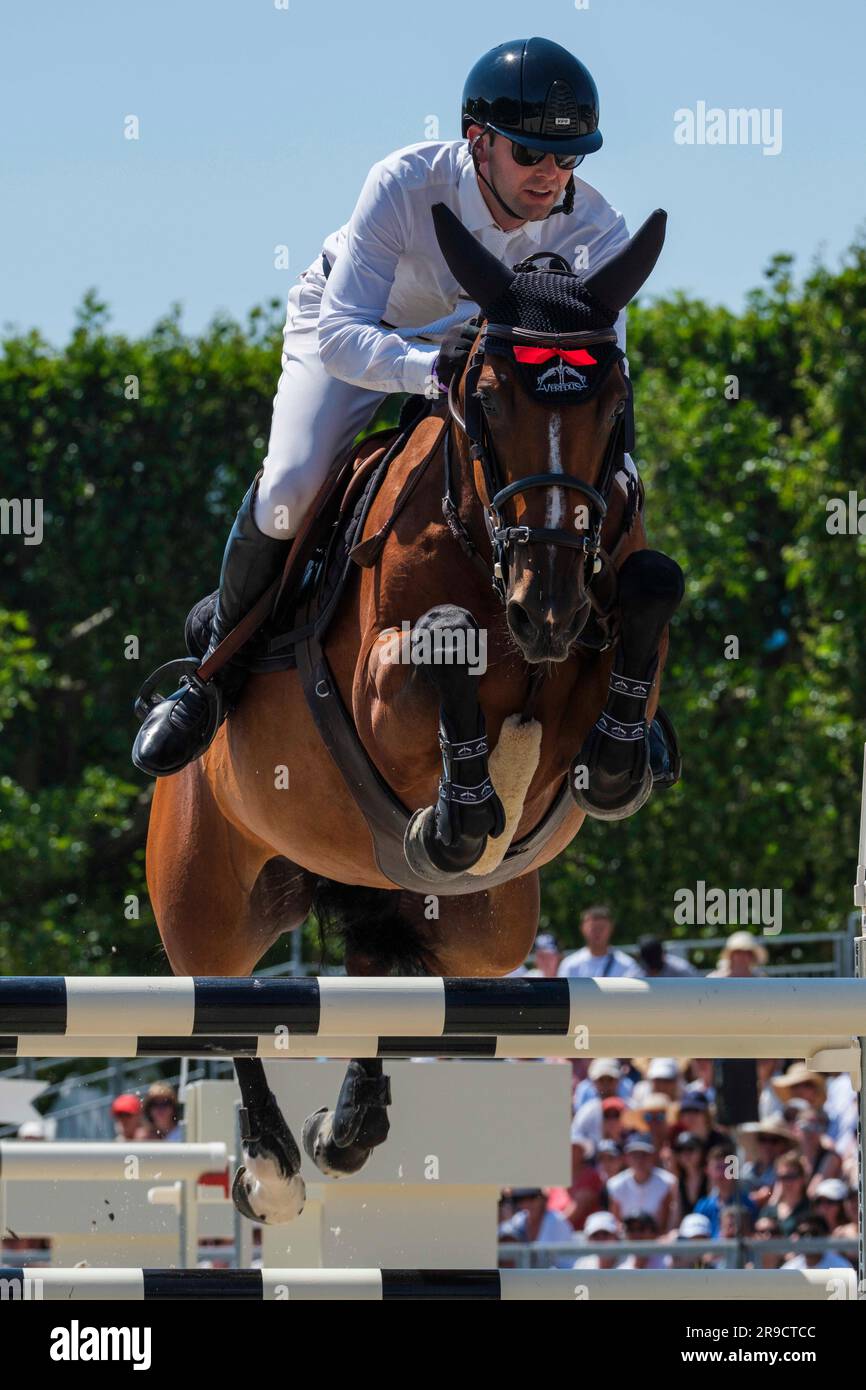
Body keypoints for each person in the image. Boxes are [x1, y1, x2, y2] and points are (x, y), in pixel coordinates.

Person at [132, 37, 677, 780]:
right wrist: (429, 370)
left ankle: (629, 694)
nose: (553, 174)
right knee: (290, 489)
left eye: (570, 156)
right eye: (531, 154)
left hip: (494, 379)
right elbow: (340, 332)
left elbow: (598, 377)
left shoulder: (596, 230)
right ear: (478, 141)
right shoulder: (403, 182)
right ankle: (213, 672)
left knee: (599, 491)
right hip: (365, 336)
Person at [606, 1135, 676, 1232]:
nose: (639, 1160)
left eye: (644, 1154)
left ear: (653, 1156)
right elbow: (616, 1221)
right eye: (635, 1155)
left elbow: (664, 1224)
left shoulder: (667, 1182)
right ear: (627, 1158)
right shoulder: (615, 1184)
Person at [558, 905, 642, 979]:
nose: (597, 932)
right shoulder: (570, 966)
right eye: (593, 928)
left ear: (611, 928)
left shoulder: (627, 966)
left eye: (601, 928)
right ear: (582, 928)